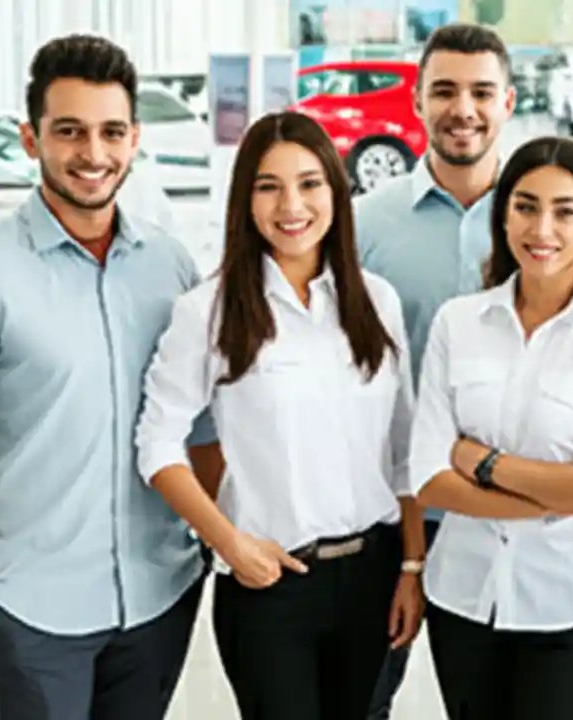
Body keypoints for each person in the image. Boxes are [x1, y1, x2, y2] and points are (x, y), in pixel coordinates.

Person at [0, 35, 215, 718]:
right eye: (70, 132)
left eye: (110, 132)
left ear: (135, 139)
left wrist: (202, 552)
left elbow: (202, 424)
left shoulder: (171, 266)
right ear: (30, 139)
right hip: (31, 616)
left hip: (157, 600)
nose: (93, 154)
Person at [134, 111, 425, 720]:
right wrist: (226, 542)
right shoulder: (207, 311)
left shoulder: (377, 301)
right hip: (269, 583)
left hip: (373, 574)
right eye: (269, 186)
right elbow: (157, 443)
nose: (291, 204)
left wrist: (411, 566)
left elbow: (404, 449)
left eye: (310, 183)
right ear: (245, 200)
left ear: (337, 194)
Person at [408, 136, 573, 720]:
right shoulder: (459, 322)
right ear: (502, 215)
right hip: (465, 599)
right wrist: (560, 489)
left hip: (571, 606)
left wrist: (484, 463)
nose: (541, 227)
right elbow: (427, 475)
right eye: (525, 206)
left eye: (564, 211)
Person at [354, 22, 516, 719]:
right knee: (362, 700)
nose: (464, 109)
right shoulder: (362, 226)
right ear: (416, 102)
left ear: (509, 101)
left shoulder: (546, 222)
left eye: (482, 92)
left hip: (505, 511)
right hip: (386, 514)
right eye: (444, 91)